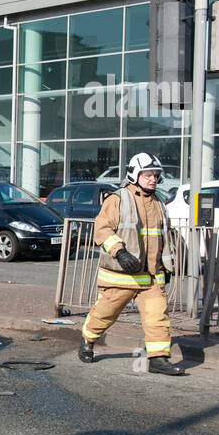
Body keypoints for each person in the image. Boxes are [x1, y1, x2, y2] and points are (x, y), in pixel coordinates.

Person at [79, 152, 183, 375]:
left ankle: (158, 359)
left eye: (156, 175)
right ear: (135, 175)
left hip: (151, 276)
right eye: (148, 175)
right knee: (105, 313)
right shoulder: (117, 199)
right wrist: (121, 253)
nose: (153, 179)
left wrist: (167, 266)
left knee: (158, 317)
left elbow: (164, 237)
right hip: (121, 275)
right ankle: (88, 338)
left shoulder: (159, 203)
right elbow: (102, 230)